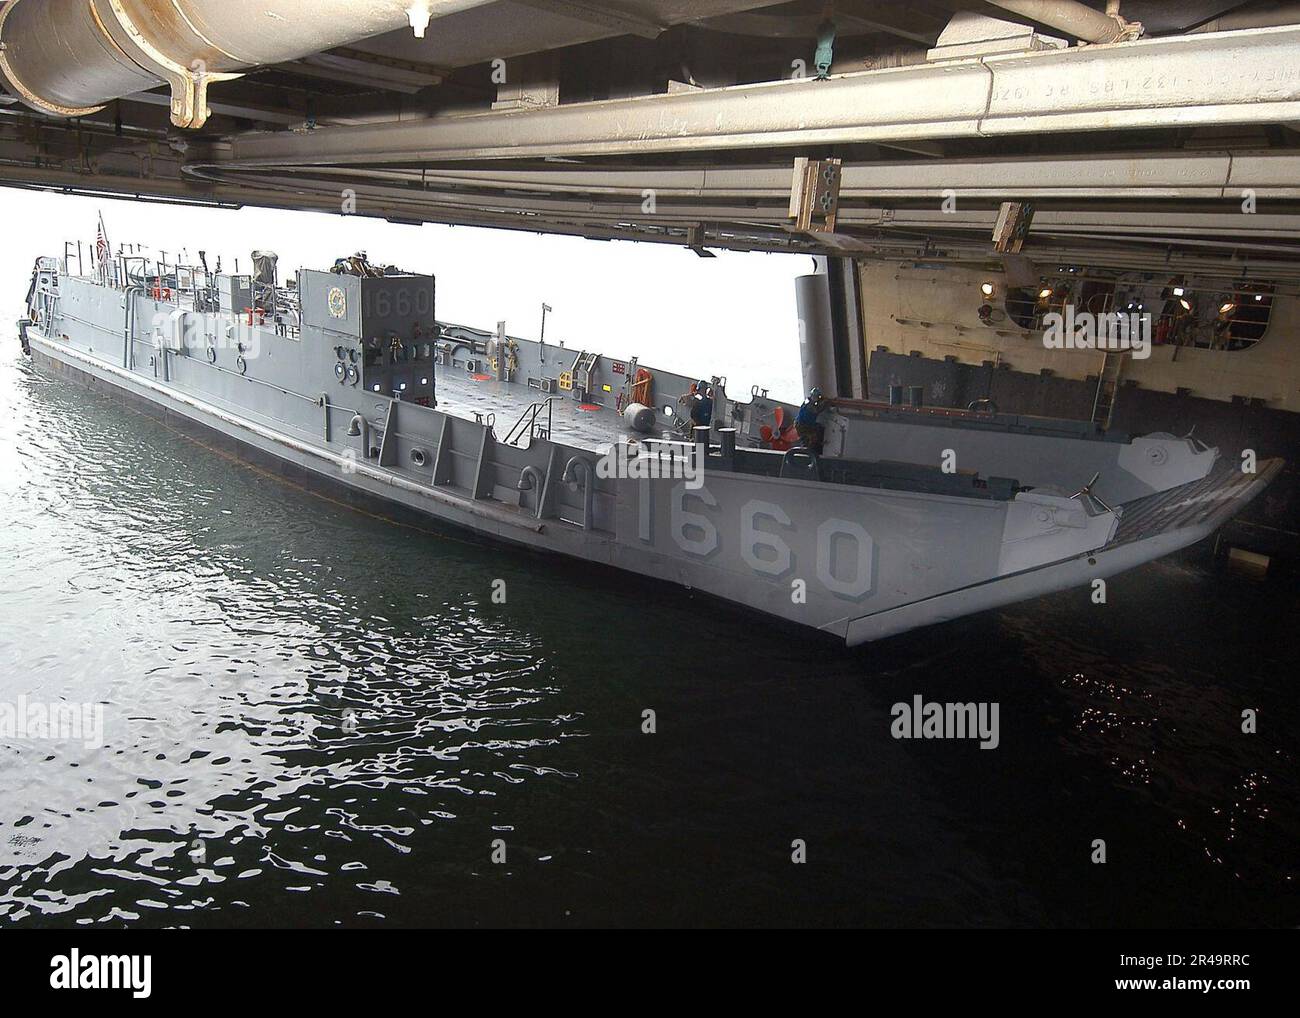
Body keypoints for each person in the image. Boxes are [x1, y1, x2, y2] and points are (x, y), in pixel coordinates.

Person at [795, 387, 829, 453]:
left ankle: (812, 447)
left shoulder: (807, 400)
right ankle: (808, 452)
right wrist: (825, 402)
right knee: (809, 439)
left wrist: (822, 399)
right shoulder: (809, 405)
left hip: (803, 423)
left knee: (818, 428)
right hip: (803, 426)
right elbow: (817, 410)